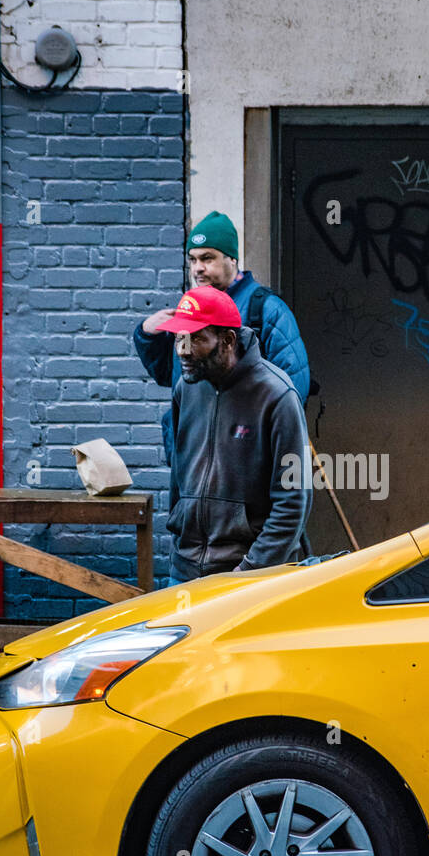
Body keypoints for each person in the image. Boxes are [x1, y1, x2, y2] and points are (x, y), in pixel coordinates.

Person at [160, 285, 312, 583]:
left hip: (249, 578)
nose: (183, 351)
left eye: (197, 339)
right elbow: (178, 479)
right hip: (185, 572)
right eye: (179, 338)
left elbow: (293, 501)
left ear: (228, 340)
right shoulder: (186, 389)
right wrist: (179, 550)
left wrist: (249, 571)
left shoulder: (277, 396)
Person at [133, 210, 310, 462]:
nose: (198, 269)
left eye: (207, 258)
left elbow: (293, 389)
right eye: (192, 260)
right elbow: (173, 375)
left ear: (232, 259)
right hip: (192, 458)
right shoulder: (190, 310)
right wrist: (147, 337)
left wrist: (252, 439)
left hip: (242, 461)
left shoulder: (267, 309)